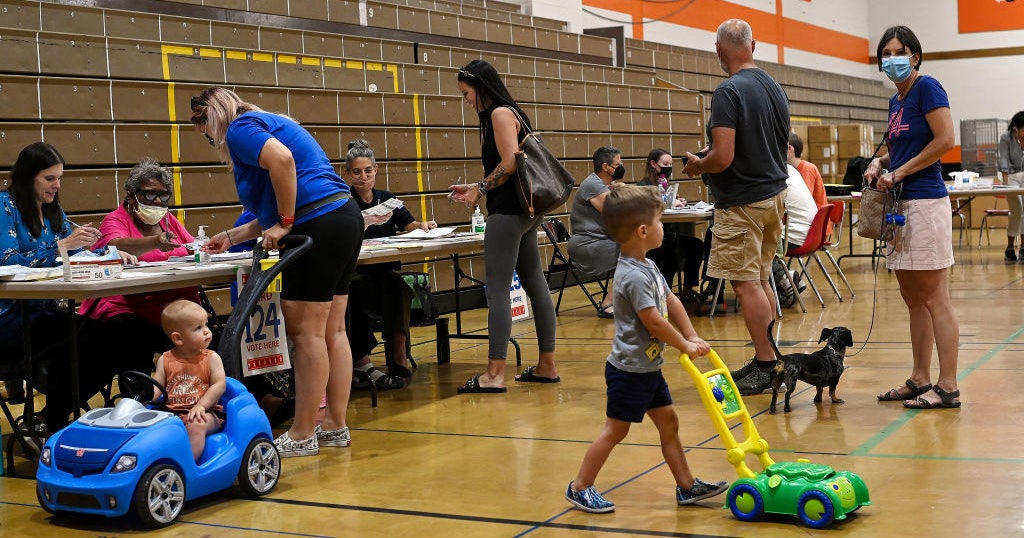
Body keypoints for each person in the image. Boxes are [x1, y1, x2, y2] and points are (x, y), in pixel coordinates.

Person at [190, 86, 363, 456]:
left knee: (307, 335)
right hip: (343, 218)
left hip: (314, 226)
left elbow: (282, 162)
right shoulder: (270, 121)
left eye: (201, 127)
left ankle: (302, 434)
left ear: (209, 117)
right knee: (334, 330)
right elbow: (277, 197)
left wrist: (284, 223)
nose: (205, 136)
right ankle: (335, 424)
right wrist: (231, 235)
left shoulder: (239, 129)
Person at [563, 185, 728, 513]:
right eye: (660, 222)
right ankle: (580, 487)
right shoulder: (632, 276)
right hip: (629, 371)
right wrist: (682, 343)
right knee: (616, 430)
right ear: (643, 231)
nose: (663, 227)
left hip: (648, 369)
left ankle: (686, 486)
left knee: (669, 422)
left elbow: (670, 300)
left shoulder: (649, 267)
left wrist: (692, 335)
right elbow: (653, 322)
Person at [682, 19, 789, 396]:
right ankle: (771, 357)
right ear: (753, 46)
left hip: (743, 200)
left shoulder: (729, 91)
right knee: (761, 278)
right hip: (774, 195)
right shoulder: (773, 86)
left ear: (718, 50)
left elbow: (723, 156)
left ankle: (765, 362)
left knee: (745, 285)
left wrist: (698, 165)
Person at [0, 142, 137, 431]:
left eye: (59, 178)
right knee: (82, 339)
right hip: (10, 315)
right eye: (50, 179)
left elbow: (75, 253)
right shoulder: (4, 206)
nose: (57, 186)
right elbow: (7, 260)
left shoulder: (52, 211)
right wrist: (62, 244)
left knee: (110, 336)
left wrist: (109, 255)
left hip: (43, 312)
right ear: (27, 177)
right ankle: (54, 421)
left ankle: (52, 416)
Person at [447, 59, 559, 392]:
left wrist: (480, 189)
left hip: (508, 212)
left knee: (497, 289)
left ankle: (494, 374)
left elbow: (509, 163)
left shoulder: (499, 113)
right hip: (526, 212)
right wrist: (477, 186)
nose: (465, 100)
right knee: (535, 282)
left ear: (481, 87)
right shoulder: (513, 112)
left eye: (466, 93)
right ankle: (546, 366)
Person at [866, 26, 960, 409]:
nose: (891, 59)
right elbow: (900, 150)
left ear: (915, 56)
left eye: (898, 52)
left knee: (935, 296)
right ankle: (920, 378)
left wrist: (900, 172)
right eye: (885, 53)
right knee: (911, 297)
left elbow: (944, 140)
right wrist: (879, 161)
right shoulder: (895, 101)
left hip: (925, 204)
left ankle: (949, 385)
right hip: (898, 208)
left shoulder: (928, 88)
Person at [78, 158, 198, 365]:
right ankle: (137, 394)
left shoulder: (168, 220)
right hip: (127, 306)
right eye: (150, 194)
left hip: (168, 304)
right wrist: (155, 242)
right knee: (136, 335)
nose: (158, 201)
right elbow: (116, 244)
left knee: (208, 334)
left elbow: (192, 247)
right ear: (132, 196)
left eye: (163, 195)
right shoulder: (115, 219)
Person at [344, 139, 435, 389]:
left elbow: (409, 223)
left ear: (376, 170)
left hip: (385, 272)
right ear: (348, 174)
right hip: (357, 275)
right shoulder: (345, 202)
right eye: (357, 172)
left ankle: (398, 359)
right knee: (352, 295)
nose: (363, 177)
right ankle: (362, 362)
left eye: (368, 171)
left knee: (398, 288)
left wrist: (422, 226)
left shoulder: (388, 199)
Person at [154, 299, 226, 461]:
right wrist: (141, 399)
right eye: (198, 328)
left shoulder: (212, 358)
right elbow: (156, 388)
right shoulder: (165, 360)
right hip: (172, 415)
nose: (207, 331)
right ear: (178, 339)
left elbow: (219, 385)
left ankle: (188, 466)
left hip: (206, 413)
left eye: (206, 325)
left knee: (196, 425)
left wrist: (201, 405)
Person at [638, 148, 705, 303]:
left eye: (670, 164)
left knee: (696, 246)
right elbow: (645, 205)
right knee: (670, 251)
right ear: (653, 164)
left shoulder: (665, 184)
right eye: (665, 163)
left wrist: (678, 201)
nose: (668, 167)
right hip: (652, 237)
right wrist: (666, 203)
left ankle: (688, 289)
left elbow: (669, 201)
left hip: (669, 233)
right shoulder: (643, 186)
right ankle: (664, 293)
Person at [567, 146, 624, 318]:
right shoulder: (593, 184)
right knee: (631, 252)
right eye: (618, 163)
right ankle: (608, 303)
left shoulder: (605, 185)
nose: (621, 166)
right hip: (587, 244)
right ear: (606, 167)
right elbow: (613, 212)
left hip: (599, 240)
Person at [996, 110, 1024, 261]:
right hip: (1010, 175)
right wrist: (1005, 183)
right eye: (1022, 136)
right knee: (1016, 209)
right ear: (1016, 129)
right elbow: (1004, 159)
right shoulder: (1005, 138)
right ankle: (1010, 247)